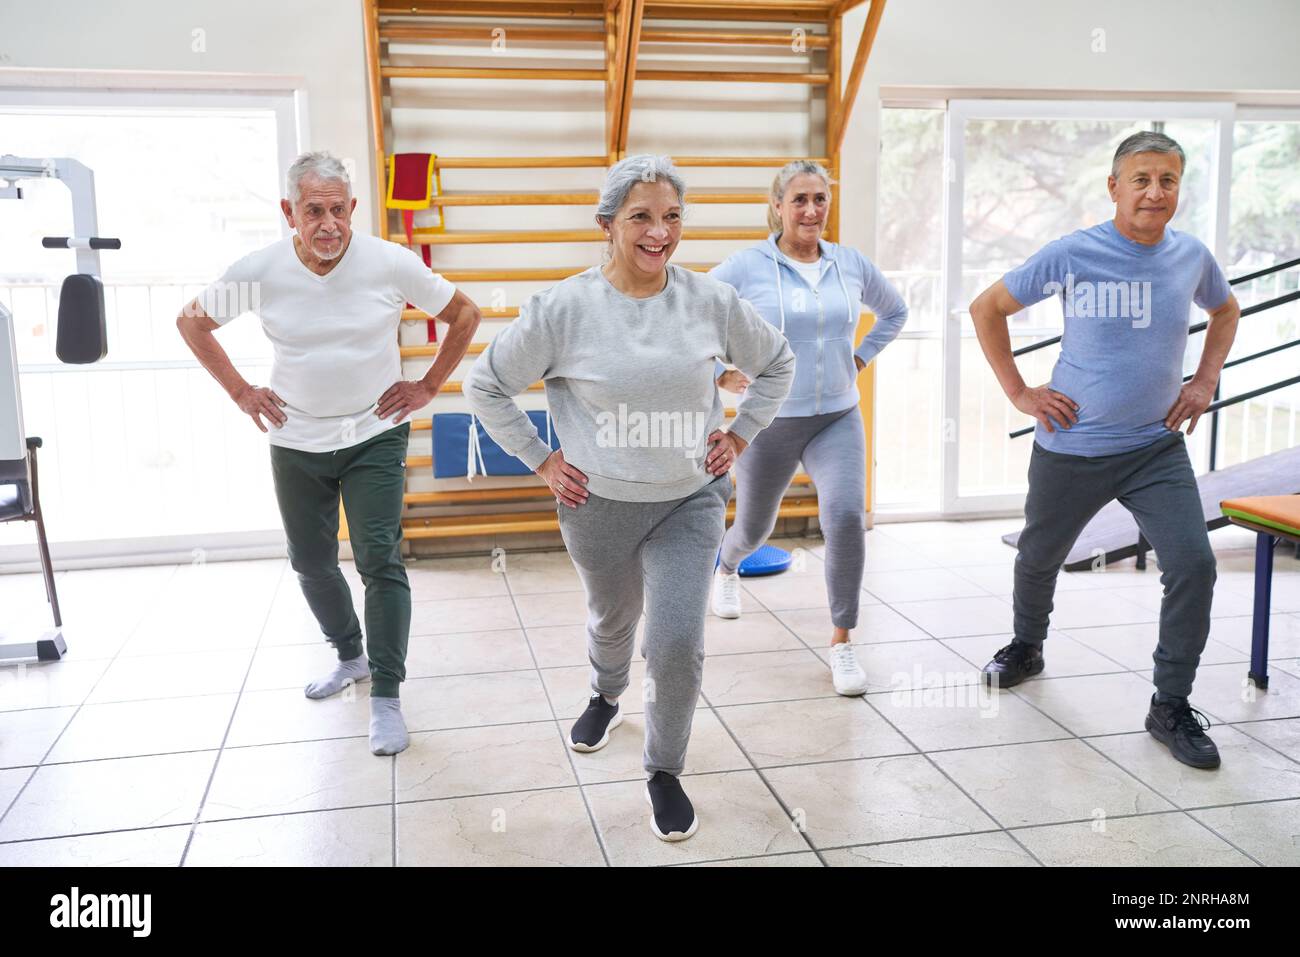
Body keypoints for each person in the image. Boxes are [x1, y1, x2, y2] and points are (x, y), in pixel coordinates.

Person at [464, 154, 794, 840]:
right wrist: (541, 458)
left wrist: (740, 436)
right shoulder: (563, 309)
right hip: (598, 504)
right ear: (607, 225)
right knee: (613, 620)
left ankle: (664, 769)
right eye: (641, 216)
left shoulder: (709, 301)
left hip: (690, 498)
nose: (659, 232)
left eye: (672, 216)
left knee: (676, 641)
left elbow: (777, 362)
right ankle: (605, 692)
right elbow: (485, 385)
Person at [177, 151, 481, 756]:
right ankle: (351, 656)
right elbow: (191, 322)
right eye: (313, 210)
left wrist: (427, 387)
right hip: (296, 436)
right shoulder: (260, 269)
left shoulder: (389, 262)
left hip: (373, 431)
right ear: (290, 211)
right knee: (311, 562)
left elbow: (465, 314)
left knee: (379, 559)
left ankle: (387, 695)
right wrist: (241, 391)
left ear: (352, 209)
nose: (328, 224)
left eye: (338, 210)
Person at [968, 131, 1240, 769]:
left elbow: (1225, 313)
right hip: (1072, 443)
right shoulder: (1075, 252)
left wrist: (1204, 381)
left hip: (1155, 447)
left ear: (1179, 188)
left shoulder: (1191, 256)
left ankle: (1170, 704)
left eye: (1167, 180)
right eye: (1140, 179)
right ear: (1114, 187)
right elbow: (987, 308)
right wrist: (1019, 393)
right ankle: (1027, 645)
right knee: (1040, 557)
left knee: (1195, 566)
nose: (1154, 192)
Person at [710, 160, 908, 695]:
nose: (811, 210)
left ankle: (842, 641)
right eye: (799, 199)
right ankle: (726, 567)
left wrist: (860, 360)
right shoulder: (748, 266)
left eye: (820, 199)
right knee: (753, 528)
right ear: (777, 206)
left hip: (837, 417)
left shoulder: (849, 264)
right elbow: (693, 317)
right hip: (768, 421)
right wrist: (718, 372)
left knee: (844, 517)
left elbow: (895, 312)